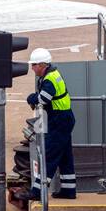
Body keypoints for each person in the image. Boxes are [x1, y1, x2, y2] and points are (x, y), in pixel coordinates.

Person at [27, 49, 76, 201]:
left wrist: (31, 98)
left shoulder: (49, 80)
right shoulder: (52, 74)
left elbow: (43, 99)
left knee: (49, 154)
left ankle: (37, 191)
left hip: (59, 120)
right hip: (64, 118)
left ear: (42, 65)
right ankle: (69, 190)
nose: (32, 68)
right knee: (65, 156)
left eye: (34, 65)